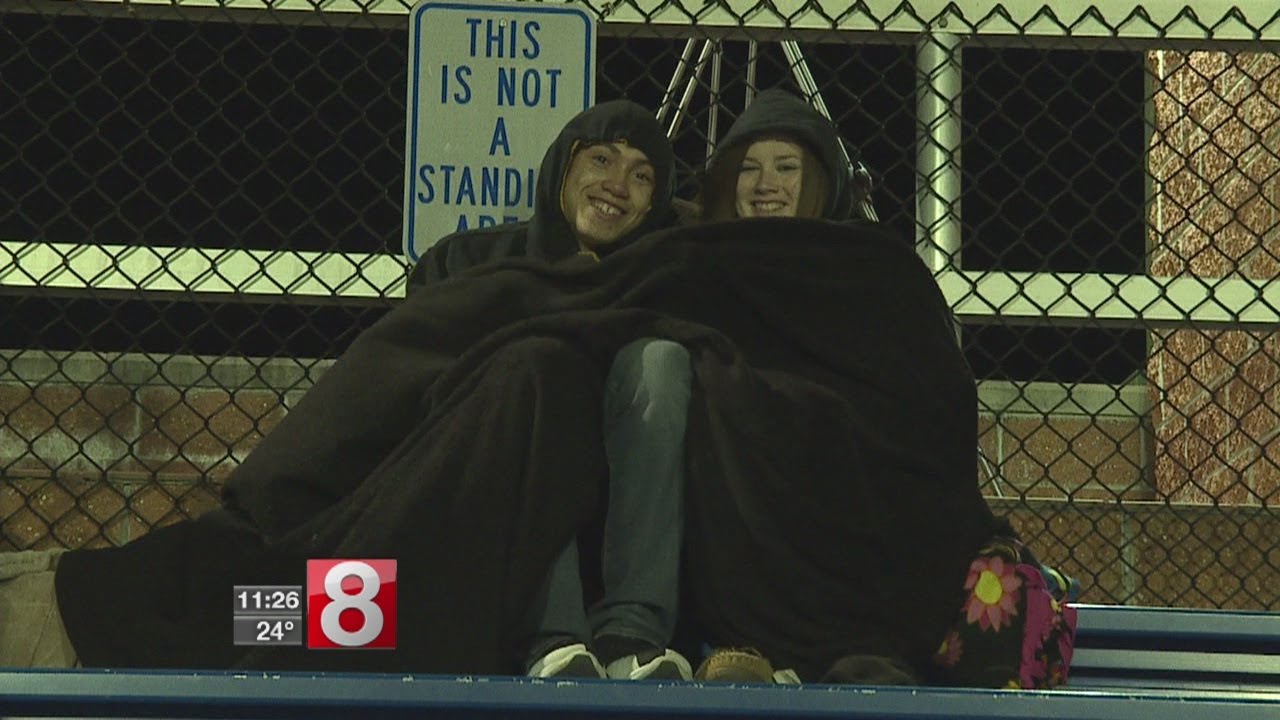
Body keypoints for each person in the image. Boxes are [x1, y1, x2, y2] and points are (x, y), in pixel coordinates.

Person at [0, 100, 693, 681]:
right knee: (269, 604)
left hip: (549, 547)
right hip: (440, 517)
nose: (618, 184)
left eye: (643, 175)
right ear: (564, 167)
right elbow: (403, 376)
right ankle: (553, 640)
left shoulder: (663, 288)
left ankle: (624, 636)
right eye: (601, 159)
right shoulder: (473, 262)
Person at [679, 87, 1004, 685]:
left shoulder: (875, 264)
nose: (764, 183)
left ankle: (868, 646)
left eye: (786, 167)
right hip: (748, 448)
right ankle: (749, 643)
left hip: (858, 463)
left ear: (822, 180)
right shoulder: (703, 257)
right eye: (747, 168)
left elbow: (934, 382)